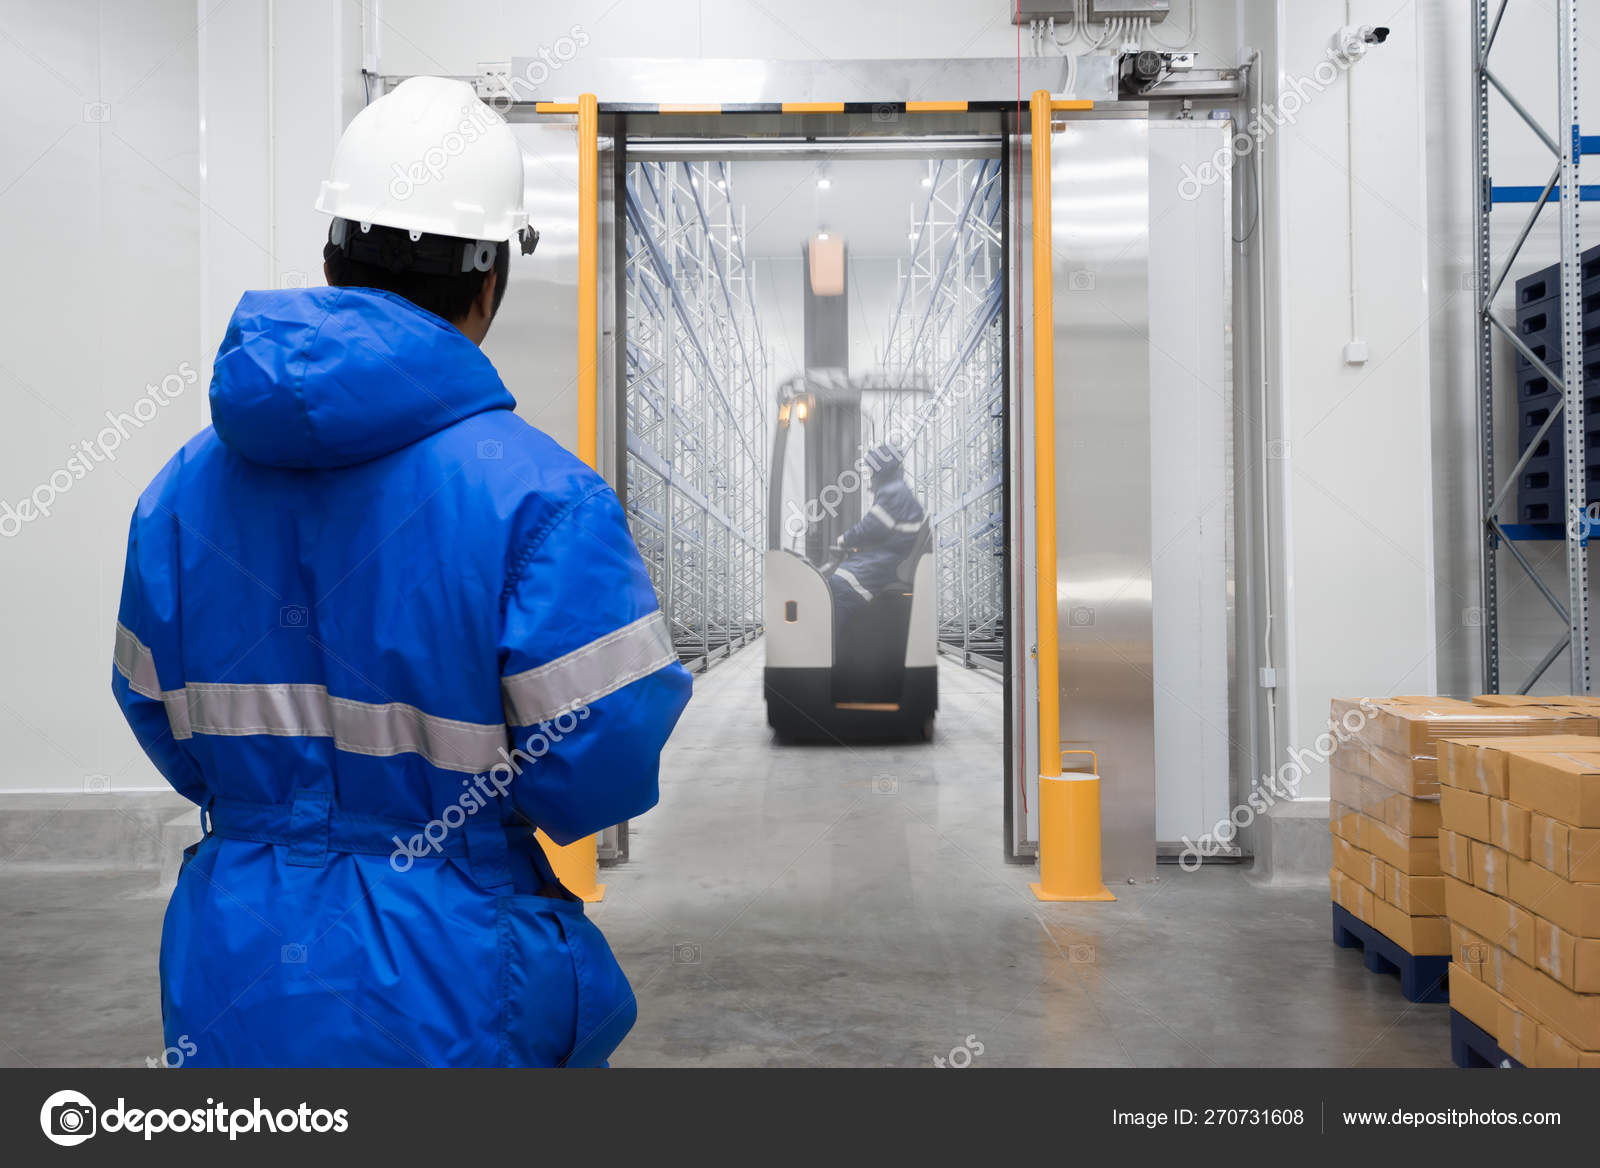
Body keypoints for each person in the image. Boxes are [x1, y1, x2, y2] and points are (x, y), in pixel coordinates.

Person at [110, 76, 691, 1068]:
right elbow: (599, 768)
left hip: (237, 954)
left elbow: (158, 714)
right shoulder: (542, 501)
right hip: (450, 974)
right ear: (490, 279)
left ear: (334, 253)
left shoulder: (181, 492)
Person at [827, 444, 927, 625]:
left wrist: (844, 540)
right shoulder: (897, 490)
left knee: (839, 584)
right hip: (888, 556)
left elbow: (871, 526)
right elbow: (880, 530)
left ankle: (831, 642)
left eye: (871, 469)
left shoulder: (893, 492)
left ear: (880, 470)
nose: (869, 475)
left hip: (885, 562)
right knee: (837, 581)